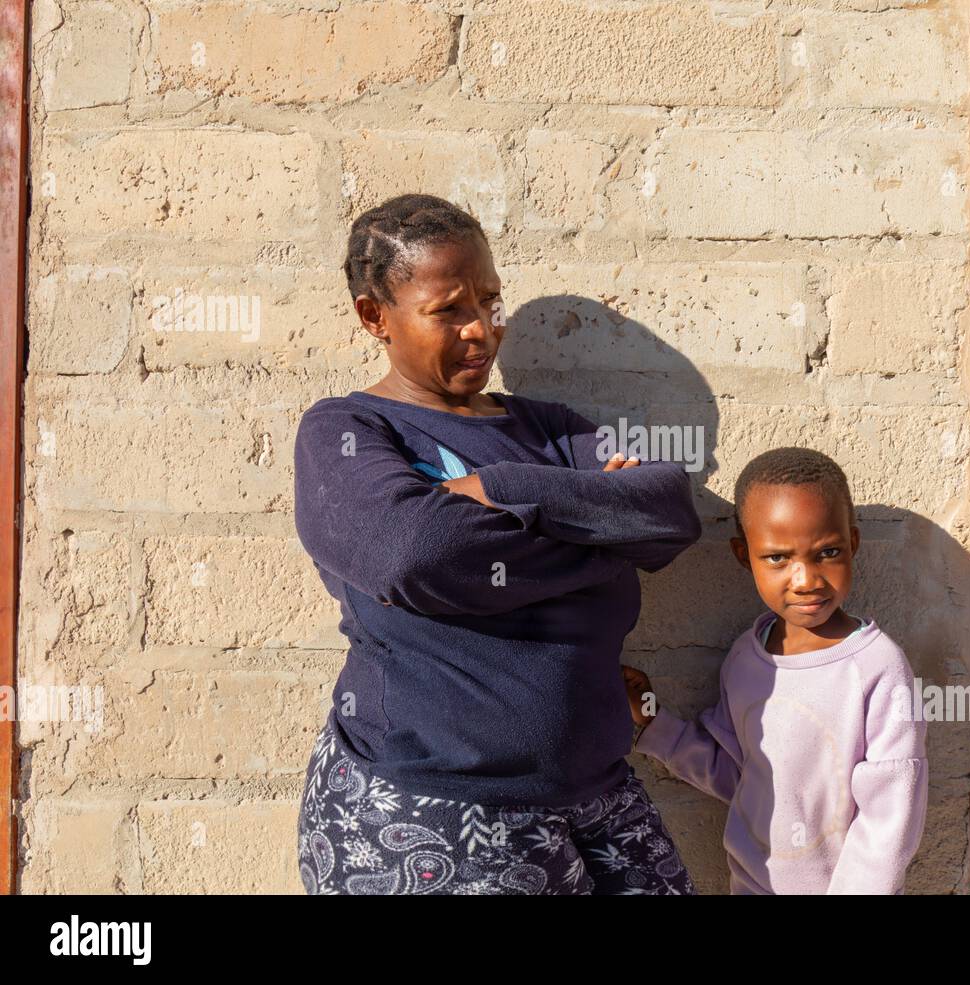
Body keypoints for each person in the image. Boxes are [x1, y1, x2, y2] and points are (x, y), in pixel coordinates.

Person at [293, 193, 702, 894]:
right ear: (374, 316)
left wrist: (501, 487)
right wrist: (599, 533)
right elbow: (413, 553)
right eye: (449, 309)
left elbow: (666, 511)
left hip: (600, 797)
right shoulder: (347, 433)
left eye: (490, 300)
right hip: (435, 808)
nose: (482, 329)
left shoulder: (546, 426)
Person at [623, 447, 927, 894]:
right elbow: (738, 778)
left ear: (854, 545)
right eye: (777, 558)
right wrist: (652, 720)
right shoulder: (746, 660)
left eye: (827, 552)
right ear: (743, 556)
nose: (805, 579)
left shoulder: (878, 668)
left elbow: (889, 819)